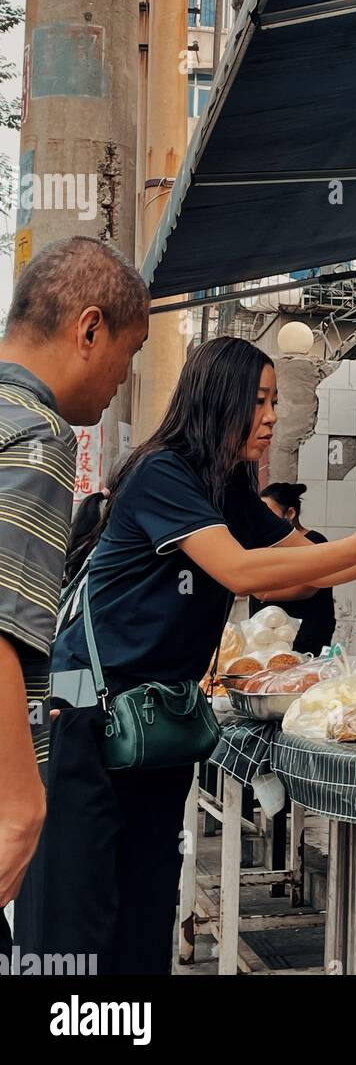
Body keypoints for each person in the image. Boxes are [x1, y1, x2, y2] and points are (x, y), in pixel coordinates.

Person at [28, 335, 356, 975]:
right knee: (75, 920)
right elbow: (244, 571)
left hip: (157, 726)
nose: (273, 416)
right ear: (217, 399)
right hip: (90, 719)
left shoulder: (223, 487)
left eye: (275, 400)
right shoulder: (161, 473)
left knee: (145, 907)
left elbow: (299, 572)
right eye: (260, 400)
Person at [0, 237, 149, 955]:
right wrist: (24, 808)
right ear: (90, 329)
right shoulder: (37, 434)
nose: (127, 374)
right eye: (132, 348)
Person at [251, 481, 335, 655]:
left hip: (305, 638)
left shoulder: (314, 541)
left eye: (267, 513)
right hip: (264, 639)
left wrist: (260, 592)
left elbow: (307, 588)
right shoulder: (261, 544)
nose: (261, 519)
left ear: (290, 513)